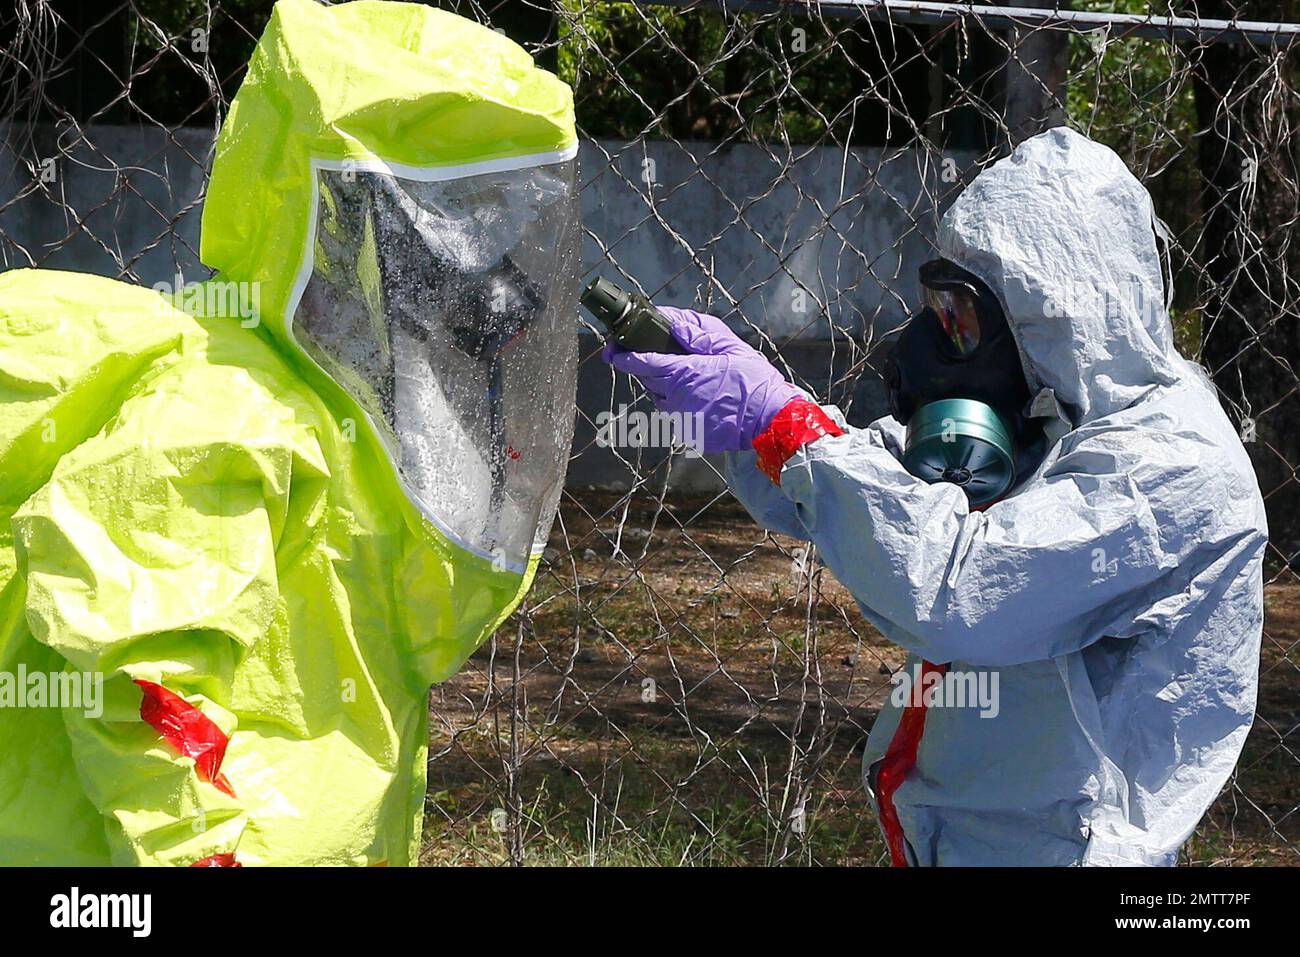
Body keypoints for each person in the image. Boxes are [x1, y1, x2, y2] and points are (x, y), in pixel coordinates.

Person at [0, 0, 580, 865]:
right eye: (447, 222)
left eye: (495, 224)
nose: (484, 276)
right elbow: (136, 667)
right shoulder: (231, 409)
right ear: (337, 216)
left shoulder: (350, 421)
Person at [605, 127, 1268, 866]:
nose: (936, 338)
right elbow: (871, 500)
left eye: (963, 315)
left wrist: (783, 424)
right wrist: (747, 416)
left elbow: (956, 589)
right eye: (940, 307)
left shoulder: (1170, 468)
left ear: (1055, 308)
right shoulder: (1060, 411)